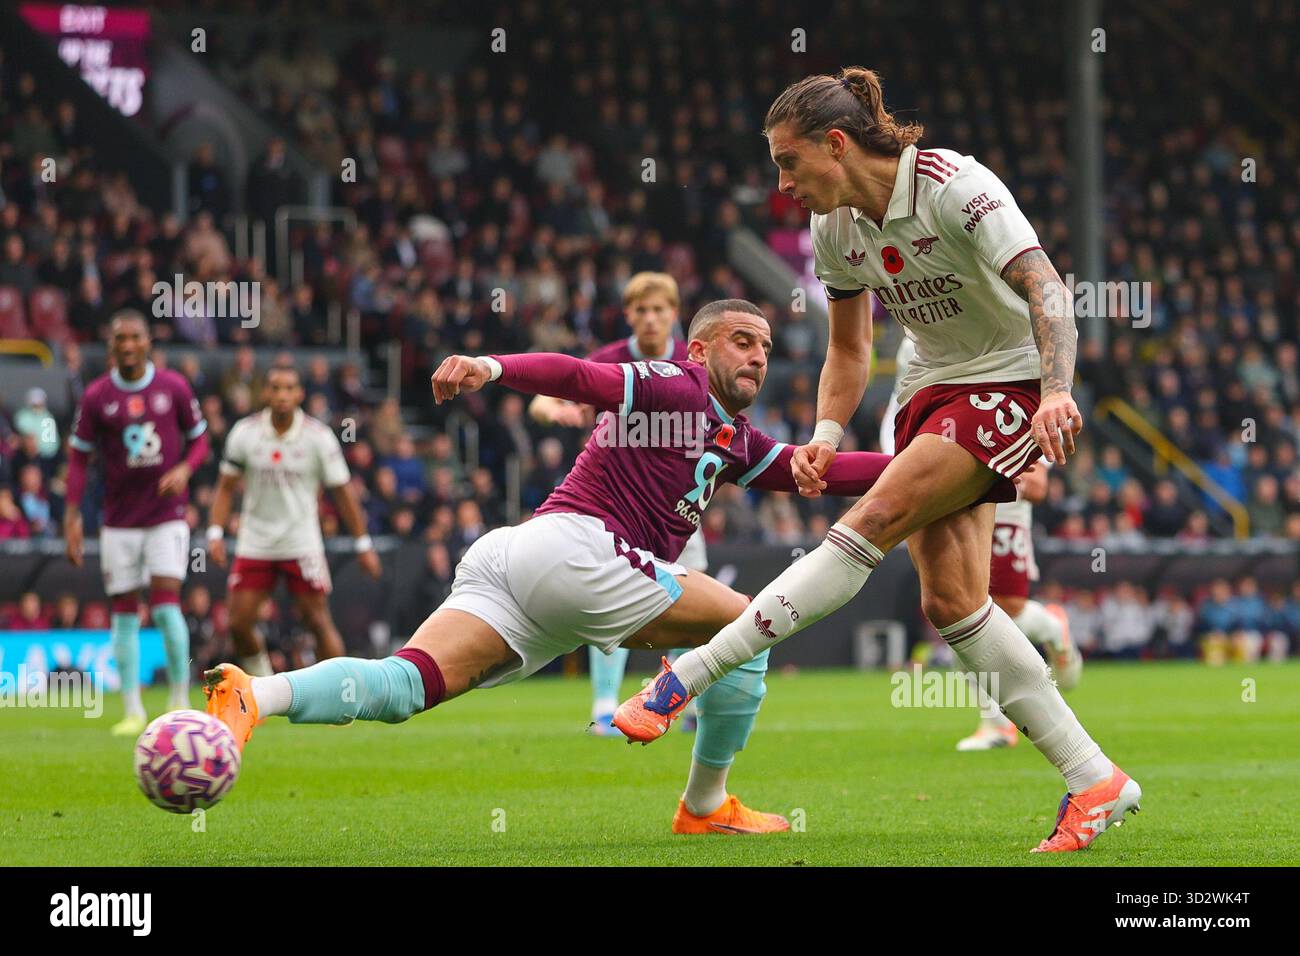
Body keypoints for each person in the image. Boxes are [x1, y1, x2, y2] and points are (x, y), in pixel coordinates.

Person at [614, 67, 1140, 853]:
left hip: (1011, 378)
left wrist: (1058, 391)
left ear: (835, 144)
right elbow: (852, 349)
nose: (782, 184)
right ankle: (1094, 778)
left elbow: (1047, 289)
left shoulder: (954, 184)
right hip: (927, 385)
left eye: (789, 163)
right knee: (954, 604)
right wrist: (826, 433)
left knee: (877, 517)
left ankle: (685, 678)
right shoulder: (837, 229)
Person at [204, 299, 891, 835]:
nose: (759, 357)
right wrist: (492, 366)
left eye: (767, 347)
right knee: (750, 628)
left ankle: (255, 697)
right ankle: (702, 795)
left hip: (520, 560)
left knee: (403, 689)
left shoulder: (735, 438)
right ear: (700, 348)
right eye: (744, 342)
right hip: (577, 550)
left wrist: (941, 471)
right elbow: (578, 376)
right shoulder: (673, 385)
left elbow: (825, 473)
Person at [881, 338, 1082, 751]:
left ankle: (1045, 624)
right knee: (956, 603)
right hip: (941, 478)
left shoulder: (1000, 326)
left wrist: (1034, 464)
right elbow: (898, 414)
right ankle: (996, 722)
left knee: (1001, 607)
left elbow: (1033, 391)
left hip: (1003, 480)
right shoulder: (913, 345)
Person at [529, 271, 704, 735]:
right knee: (613, 599)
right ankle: (606, 705)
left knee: (692, 602)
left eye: (658, 310)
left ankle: (677, 698)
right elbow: (543, 400)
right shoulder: (610, 359)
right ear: (628, 315)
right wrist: (559, 410)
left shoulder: (693, 362)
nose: (649, 319)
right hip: (618, 507)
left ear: (674, 314)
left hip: (680, 506)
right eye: (640, 311)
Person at [64, 310, 210, 735]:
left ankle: (180, 701)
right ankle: (132, 710)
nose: (128, 346)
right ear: (111, 346)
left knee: (166, 608)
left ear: (148, 342)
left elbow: (200, 438)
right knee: (124, 615)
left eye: (135, 338)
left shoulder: (173, 387)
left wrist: (185, 470)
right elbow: (77, 456)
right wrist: (72, 516)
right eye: (119, 339)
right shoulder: (97, 396)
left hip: (166, 517)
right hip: (118, 522)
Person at [207, 363, 381, 675]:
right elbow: (225, 487)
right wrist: (215, 533)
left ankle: (339, 695)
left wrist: (363, 544)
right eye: (275, 388)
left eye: (289, 388)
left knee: (316, 620)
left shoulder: (318, 437)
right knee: (238, 622)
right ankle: (262, 681)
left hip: (301, 541)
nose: (282, 395)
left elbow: (343, 493)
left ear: (300, 393)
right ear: (265, 393)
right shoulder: (244, 433)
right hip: (256, 540)